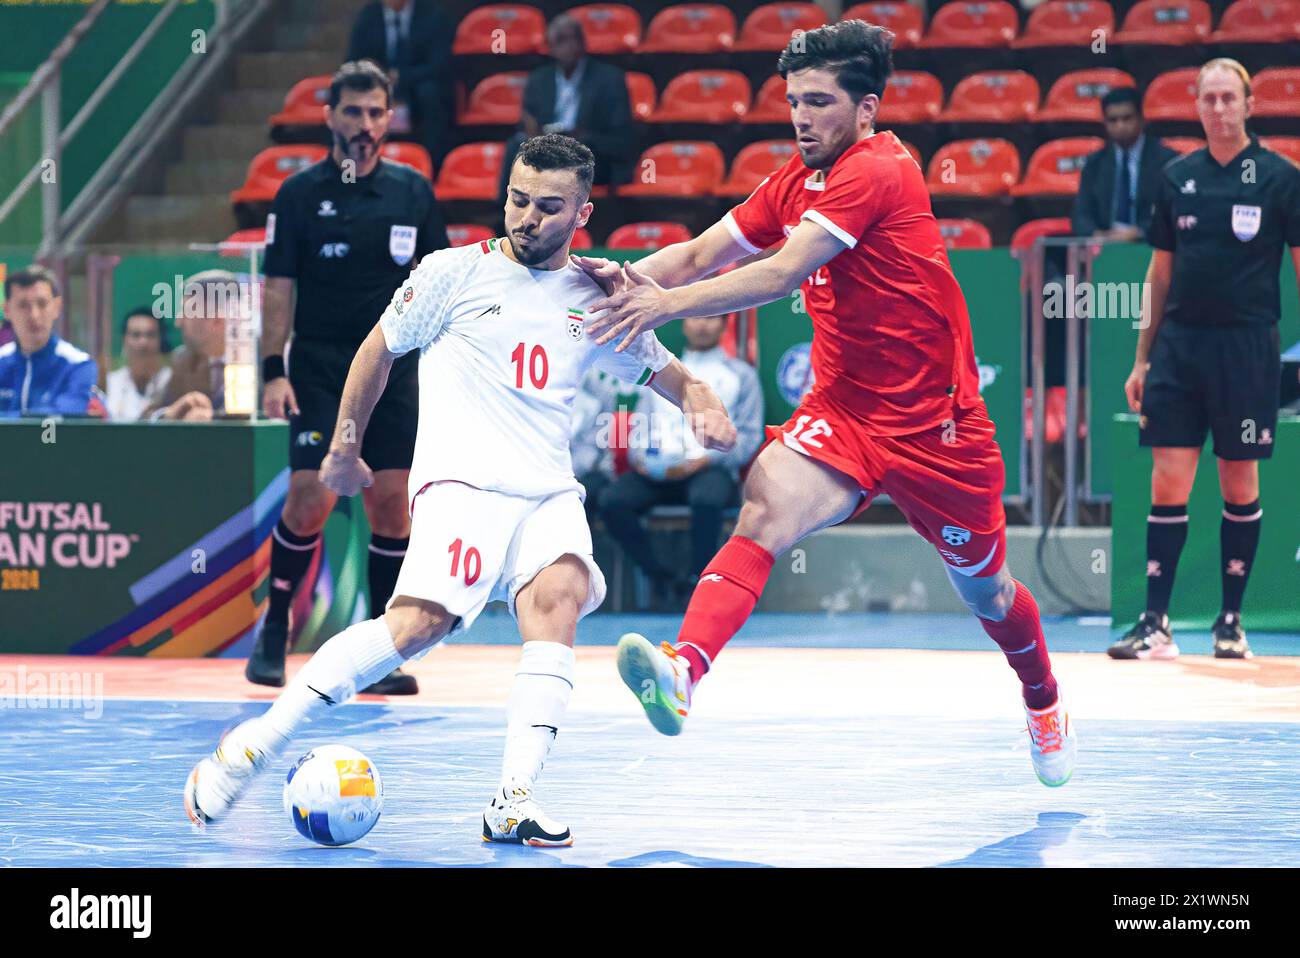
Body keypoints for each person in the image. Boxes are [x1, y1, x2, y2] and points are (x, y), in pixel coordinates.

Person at [184, 134, 738, 845]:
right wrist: (346, 445)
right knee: (416, 629)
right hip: (461, 486)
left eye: (547, 206)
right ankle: (250, 747)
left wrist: (700, 400)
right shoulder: (452, 273)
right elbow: (377, 350)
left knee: (562, 594)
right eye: (516, 199)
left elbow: (672, 373)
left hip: (545, 490)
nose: (527, 217)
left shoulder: (599, 296)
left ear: (583, 213)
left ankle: (513, 798)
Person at [574, 20, 1077, 788]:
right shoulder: (793, 179)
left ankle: (1042, 698)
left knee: (988, 590)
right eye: (793, 102)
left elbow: (780, 274)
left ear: (866, 108)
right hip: (843, 414)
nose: (801, 118)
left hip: (939, 432)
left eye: (818, 102)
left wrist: (658, 309)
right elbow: (704, 252)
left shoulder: (880, 170)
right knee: (764, 510)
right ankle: (683, 670)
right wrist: (615, 285)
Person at [249, 60, 448, 695]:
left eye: (375, 113)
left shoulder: (412, 193)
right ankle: (275, 627)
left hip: (394, 367)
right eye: (353, 112)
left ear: (388, 119)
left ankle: (376, 654)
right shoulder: (299, 194)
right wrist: (271, 371)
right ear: (331, 117)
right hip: (319, 367)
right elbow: (277, 289)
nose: (365, 124)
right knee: (311, 501)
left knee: (391, 505)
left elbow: (442, 282)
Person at [1113, 58, 1300, 661]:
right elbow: (1159, 274)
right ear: (1196, 106)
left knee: (1238, 480)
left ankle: (1230, 623)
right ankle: (1155, 624)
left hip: (1247, 348)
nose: (1218, 109)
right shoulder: (1175, 178)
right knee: (1168, 479)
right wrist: (1142, 359)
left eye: (1229, 98)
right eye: (1208, 99)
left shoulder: (1280, 178)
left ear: (1249, 105)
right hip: (1179, 349)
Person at [600, 313, 764, 597]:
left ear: (724, 325)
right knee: (612, 501)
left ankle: (697, 582)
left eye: (712, 319)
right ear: (684, 323)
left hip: (709, 470)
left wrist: (705, 460)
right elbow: (640, 428)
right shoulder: (662, 370)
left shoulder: (742, 375)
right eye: (696, 319)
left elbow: (749, 437)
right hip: (658, 473)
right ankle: (658, 576)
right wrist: (642, 461)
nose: (702, 324)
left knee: (707, 498)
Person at [498, 14, 634, 204]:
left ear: (582, 42)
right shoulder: (539, 79)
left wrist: (583, 136)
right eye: (560, 40)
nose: (568, 46)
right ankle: (507, 213)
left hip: (589, 153)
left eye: (572, 38)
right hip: (548, 148)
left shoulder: (609, 79)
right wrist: (533, 131)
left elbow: (622, 139)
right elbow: (528, 121)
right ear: (550, 47)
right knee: (516, 145)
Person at [346, 0, 455, 166]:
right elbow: (353, 62)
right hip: (378, 87)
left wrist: (401, 77)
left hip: (418, 86)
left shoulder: (433, 15)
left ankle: (433, 167)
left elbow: (440, 65)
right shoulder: (368, 16)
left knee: (431, 93)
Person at [1072, 87, 1178, 244]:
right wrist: (1095, 235)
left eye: (1127, 118)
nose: (1120, 126)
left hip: (1152, 246)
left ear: (1142, 119)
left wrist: (1139, 232)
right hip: (1104, 249)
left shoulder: (1167, 161)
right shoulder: (1094, 163)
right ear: (1105, 123)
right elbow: (1080, 215)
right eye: (1113, 120)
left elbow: (1173, 212)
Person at [143, 270, 243, 423]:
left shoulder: (262, 365)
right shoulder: (180, 360)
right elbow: (145, 417)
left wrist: (212, 420)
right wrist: (168, 415)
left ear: (217, 321)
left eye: (186, 312)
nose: (178, 322)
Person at [0, 266, 97, 418]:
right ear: (7, 310)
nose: (34, 315)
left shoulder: (78, 364)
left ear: (56, 307)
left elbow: (64, 419)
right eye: (23, 305)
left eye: (42, 303)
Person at [105, 307, 173, 421]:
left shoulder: (172, 382)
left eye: (150, 335)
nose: (143, 343)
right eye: (136, 335)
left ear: (161, 340)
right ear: (124, 340)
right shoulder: (111, 383)